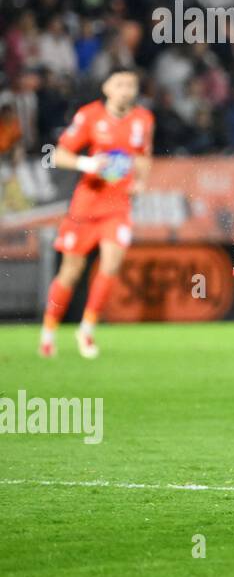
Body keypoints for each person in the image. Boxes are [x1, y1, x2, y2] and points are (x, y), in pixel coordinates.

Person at [40, 68, 154, 359]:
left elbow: (142, 156)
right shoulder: (89, 116)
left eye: (131, 84)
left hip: (118, 207)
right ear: (106, 88)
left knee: (111, 263)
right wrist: (87, 164)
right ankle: (49, 330)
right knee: (71, 272)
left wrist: (141, 181)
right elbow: (58, 154)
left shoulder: (143, 119)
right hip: (86, 206)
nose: (126, 89)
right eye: (120, 84)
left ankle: (87, 329)